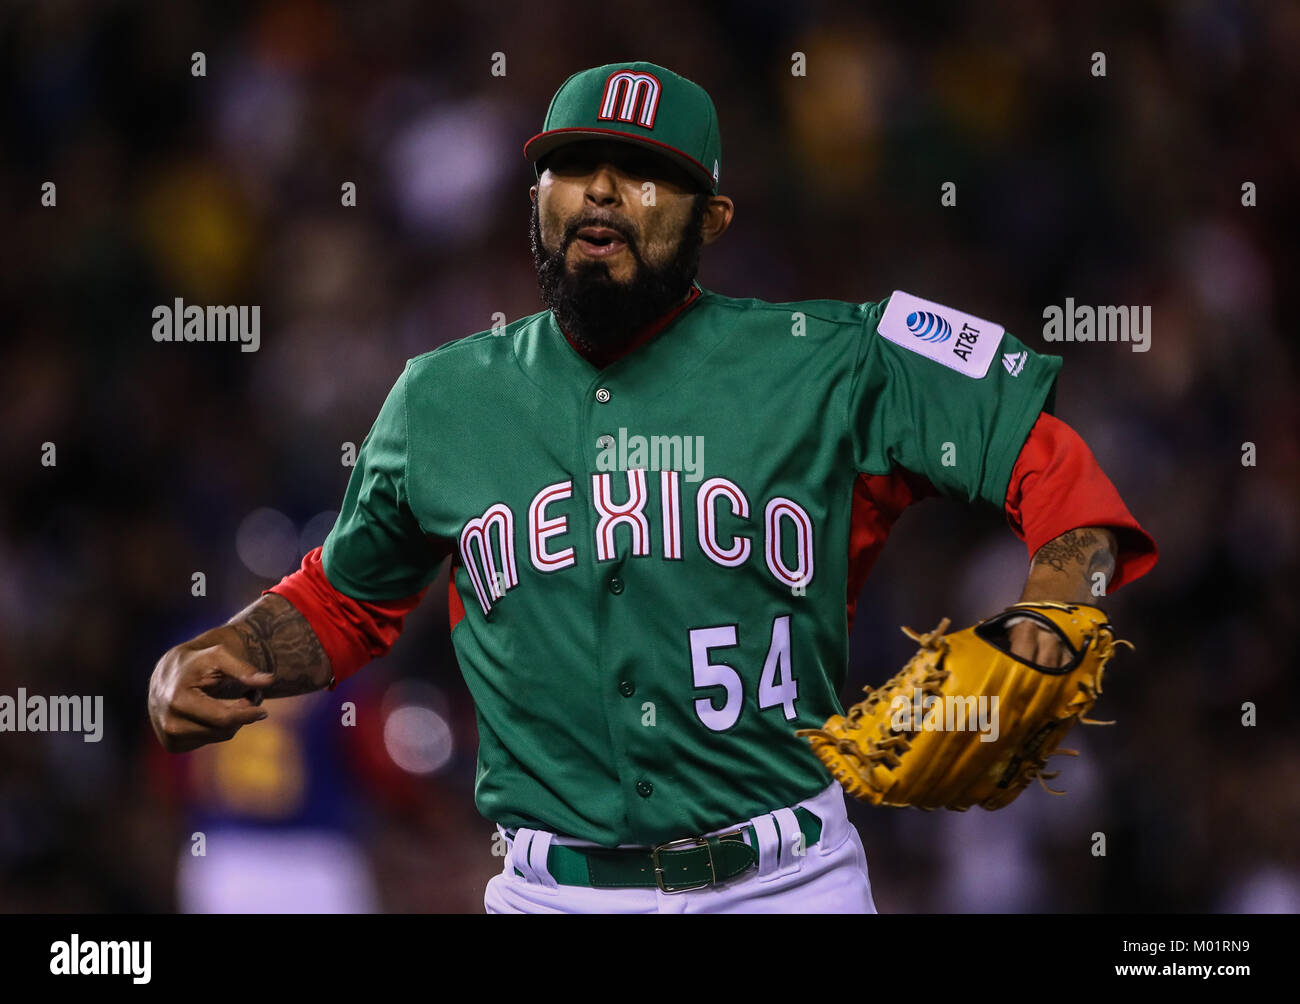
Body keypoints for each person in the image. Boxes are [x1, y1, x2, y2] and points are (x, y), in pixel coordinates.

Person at [148, 61, 1157, 914]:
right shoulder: (443, 397)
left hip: (785, 879)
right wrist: (232, 647)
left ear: (711, 213)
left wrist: (1058, 601)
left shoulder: (822, 360)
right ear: (533, 196)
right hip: (551, 891)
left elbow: (1043, 455)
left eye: (643, 174)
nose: (602, 192)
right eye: (575, 168)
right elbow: (344, 599)